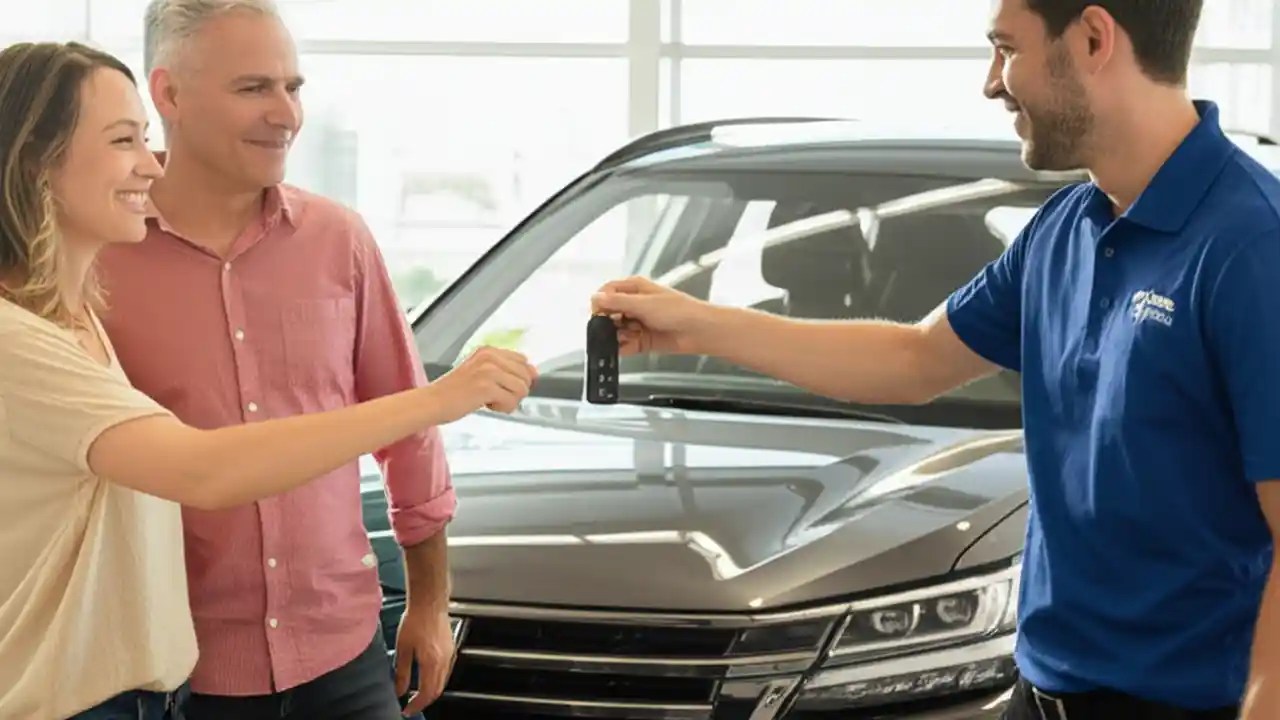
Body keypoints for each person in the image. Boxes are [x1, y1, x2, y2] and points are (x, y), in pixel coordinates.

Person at [593, 1, 1280, 719]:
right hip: (1042, 692)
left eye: (1006, 49)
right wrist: (697, 324)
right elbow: (914, 358)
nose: (993, 82)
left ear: (1093, 38)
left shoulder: (1253, 245)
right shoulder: (1064, 230)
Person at [0, 40, 533, 720]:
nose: (147, 161)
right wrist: (436, 397)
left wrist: (429, 598)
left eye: (292, 86)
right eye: (122, 139)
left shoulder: (76, 317)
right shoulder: (21, 341)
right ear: (38, 164)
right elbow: (202, 469)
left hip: (181, 687)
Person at [88, 0, 456, 718]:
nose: (286, 114)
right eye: (254, 88)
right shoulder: (96, 255)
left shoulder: (339, 239)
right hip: (173, 677)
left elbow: (408, 430)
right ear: (168, 94)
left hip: (344, 656)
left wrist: (431, 603)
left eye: (294, 87)